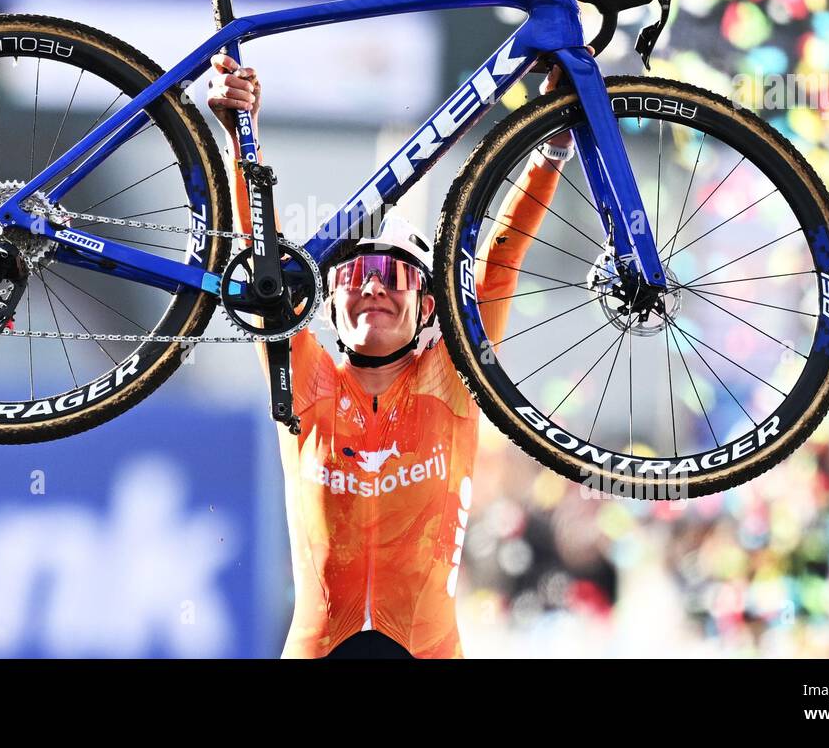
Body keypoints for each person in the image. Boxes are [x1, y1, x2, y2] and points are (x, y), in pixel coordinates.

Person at [207, 49, 583, 658]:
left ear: (429, 309)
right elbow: (265, 273)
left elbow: (496, 268)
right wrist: (240, 136)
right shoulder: (307, 384)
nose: (375, 285)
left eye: (395, 274)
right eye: (357, 272)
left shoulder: (453, 378)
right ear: (327, 303)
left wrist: (551, 146)